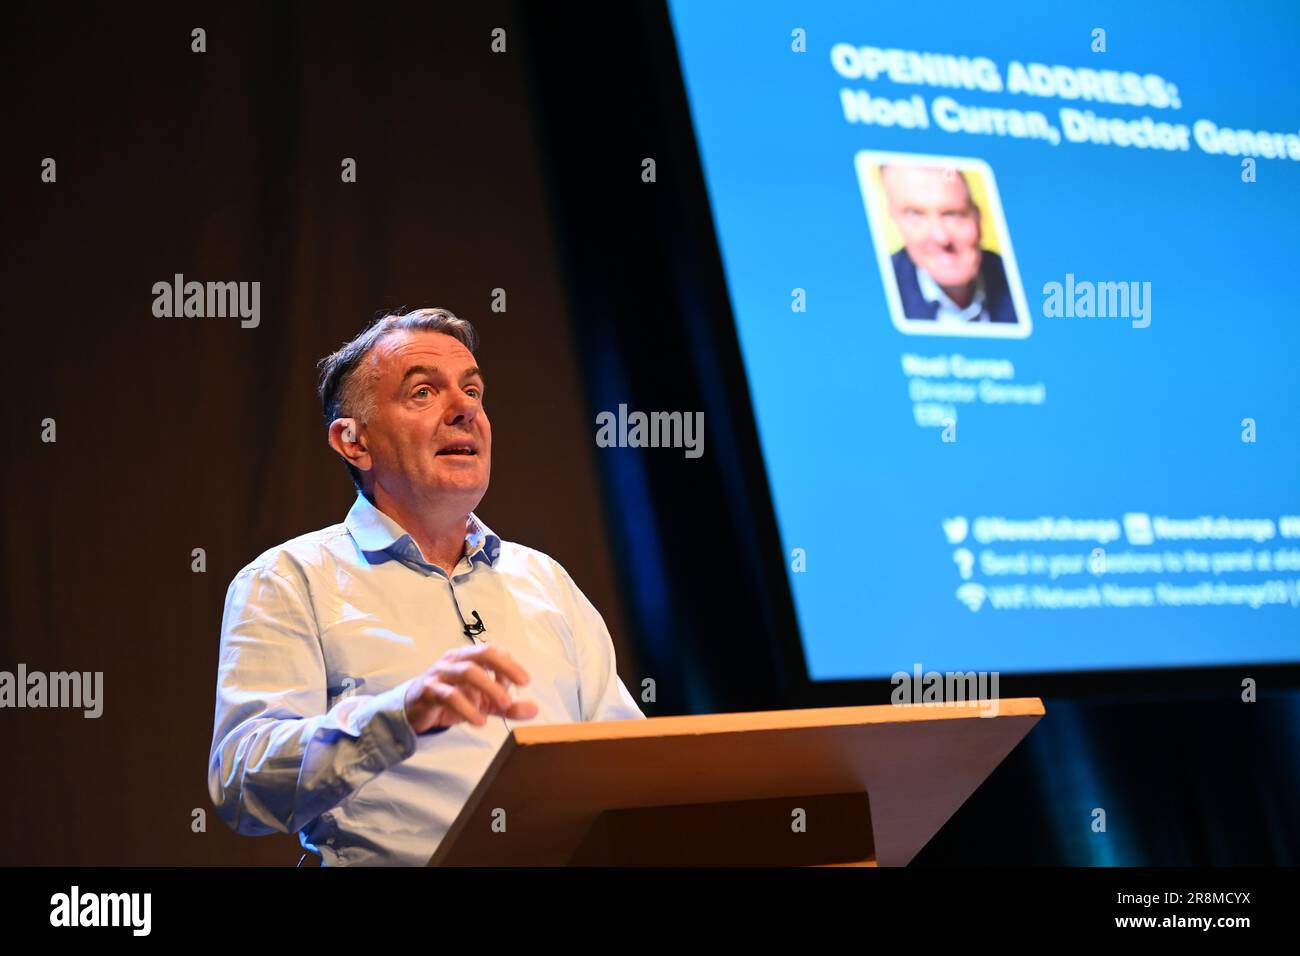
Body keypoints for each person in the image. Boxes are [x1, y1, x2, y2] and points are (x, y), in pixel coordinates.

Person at [207, 307, 646, 866]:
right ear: (353, 442)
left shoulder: (547, 581)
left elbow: (625, 770)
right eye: (422, 393)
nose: (465, 410)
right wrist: (397, 716)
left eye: (474, 391)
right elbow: (240, 782)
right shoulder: (290, 579)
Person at [880, 164, 1019, 326]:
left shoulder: (1022, 279)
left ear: (978, 217)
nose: (941, 237)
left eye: (953, 214)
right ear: (895, 220)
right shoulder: (874, 290)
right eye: (915, 214)